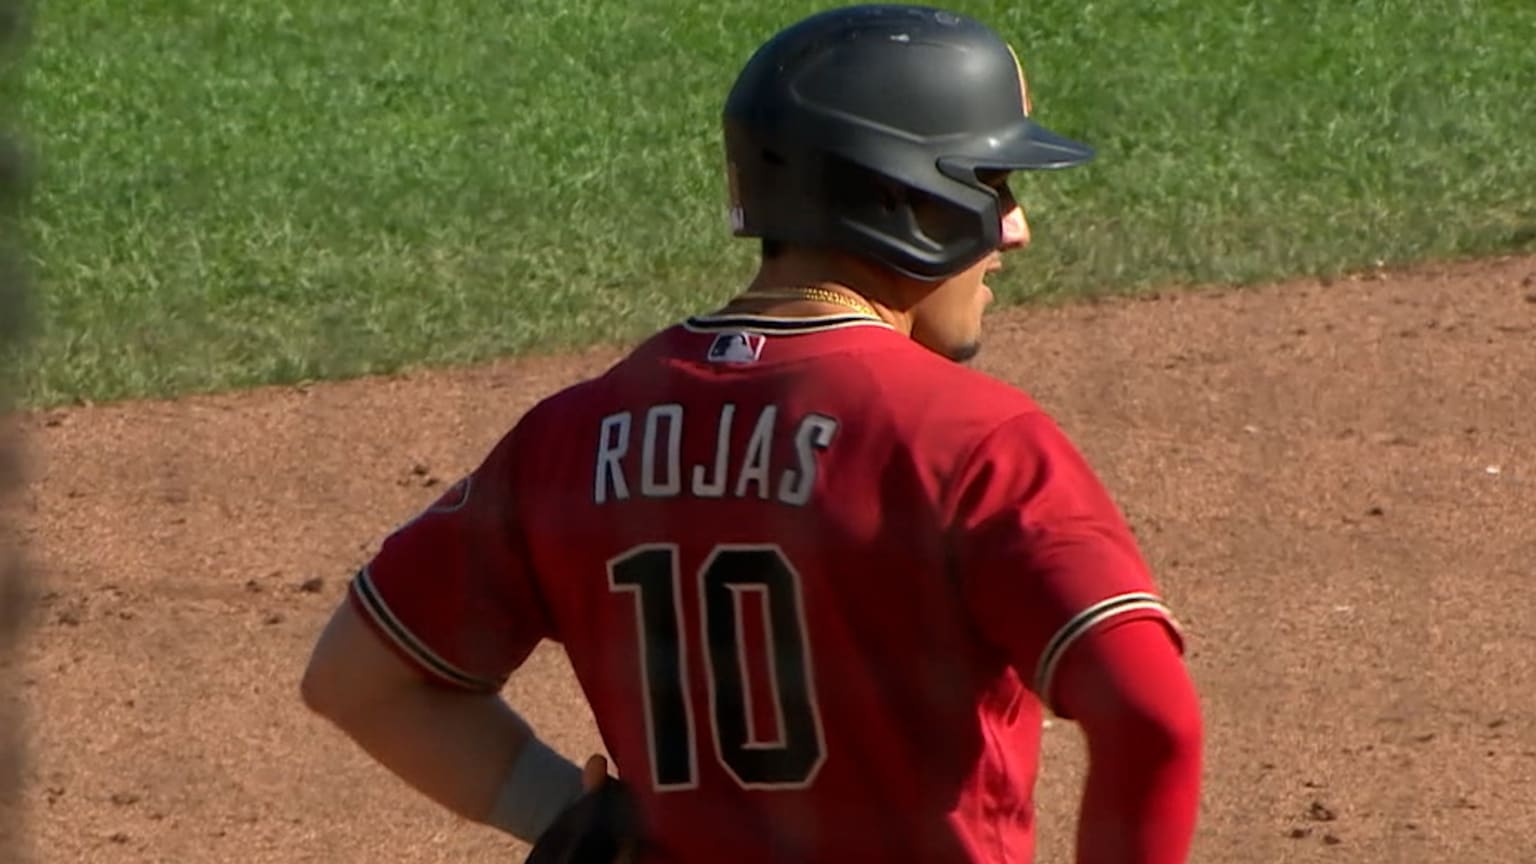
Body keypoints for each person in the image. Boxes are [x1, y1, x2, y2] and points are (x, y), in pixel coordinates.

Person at [300, 4, 1203, 863]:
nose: (1017, 230)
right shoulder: (971, 442)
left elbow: (358, 678)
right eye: (993, 186)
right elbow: (1152, 718)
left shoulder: (570, 436)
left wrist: (573, 818)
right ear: (904, 199)